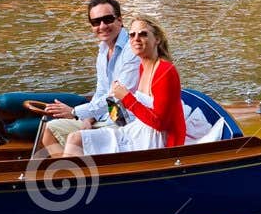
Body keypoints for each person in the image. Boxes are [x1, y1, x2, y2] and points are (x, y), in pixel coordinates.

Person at [62, 17, 185, 157]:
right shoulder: (141, 66)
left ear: (157, 39)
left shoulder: (164, 71)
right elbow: (108, 96)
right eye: (132, 34)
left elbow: (160, 124)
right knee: (74, 138)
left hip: (155, 141)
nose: (136, 39)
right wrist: (100, 113)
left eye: (143, 34)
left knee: (75, 139)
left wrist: (127, 98)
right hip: (137, 129)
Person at [38, 0, 142, 154]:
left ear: (119, 20)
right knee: (49, 130)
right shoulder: (103, 51)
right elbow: (101, 91)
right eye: (96, 22)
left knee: (76, 139)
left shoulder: (132, 50)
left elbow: (116, 97)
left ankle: (76, 175)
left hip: (125, 121)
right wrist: (88, 118)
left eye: (107, 19)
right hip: (104, 118)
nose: (102, 26)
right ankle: (65, 173)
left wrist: (74, 112)